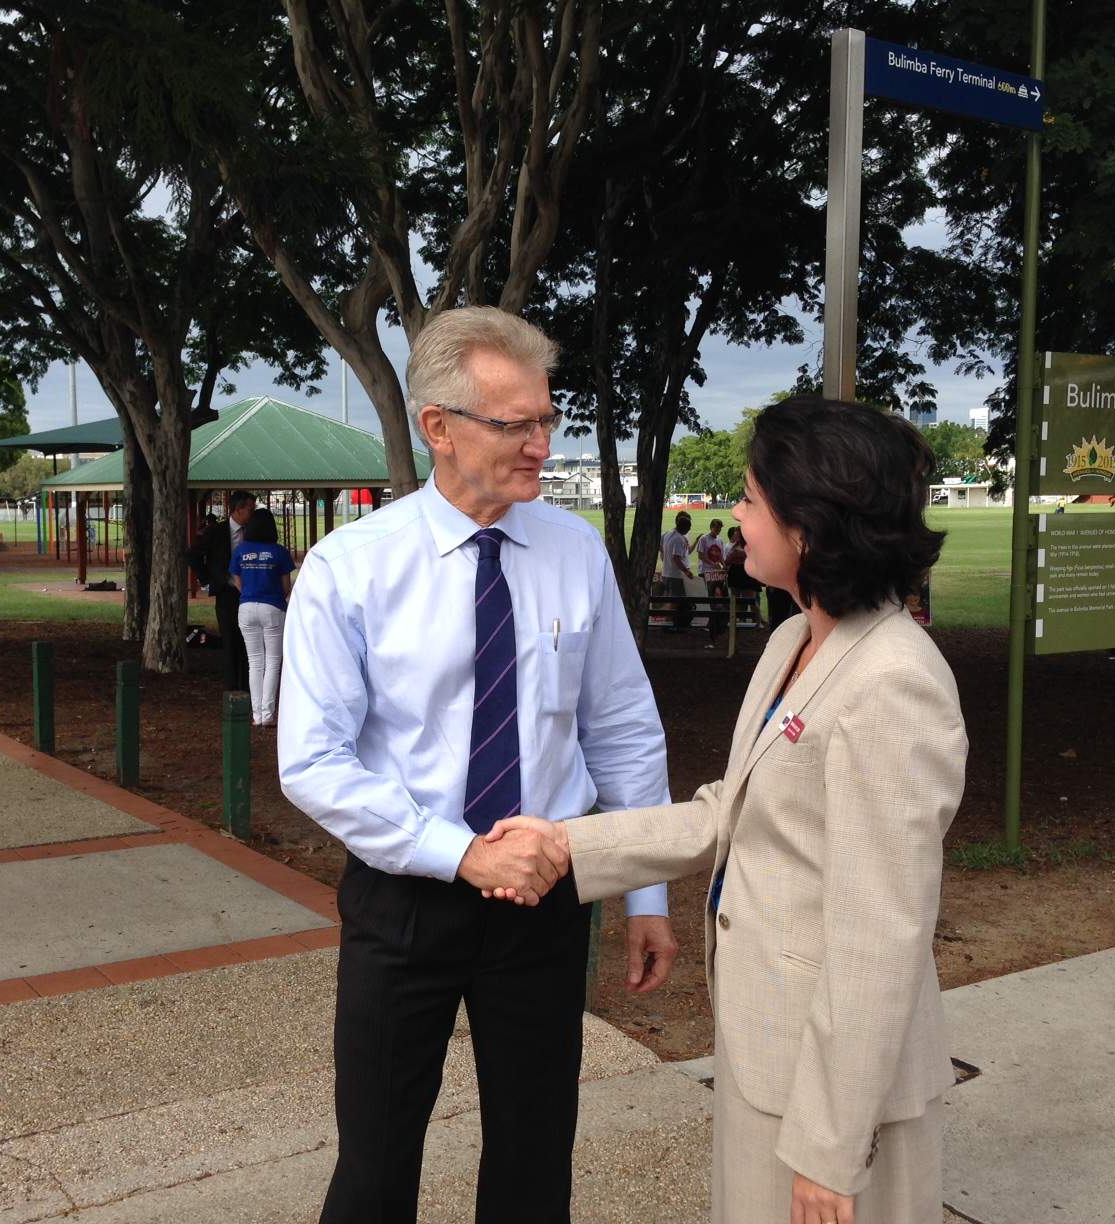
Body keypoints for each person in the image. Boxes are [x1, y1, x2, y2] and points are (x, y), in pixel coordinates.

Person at [486, 397, 968, 1224]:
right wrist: (569, 842)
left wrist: (830, 1146)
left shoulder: (892, 681)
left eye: (749, 499)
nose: (735, 517)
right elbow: (728, 811)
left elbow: (878, 936)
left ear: (810, 523)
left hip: (832, 1089)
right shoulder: (794, 641)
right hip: (766, 1052)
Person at [278, 305, 679, 1224]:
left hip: (544, 902)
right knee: (375, 1172)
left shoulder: (576, 554)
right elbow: (312, 761)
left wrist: (645, 896)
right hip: (404, 900)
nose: (541, 445)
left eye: (547, 419)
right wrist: (461, 853)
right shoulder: (352, 569)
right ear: (439, 429)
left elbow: (621, 726)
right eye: (516, 425)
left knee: (536, 1165)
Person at [230, 507, 295, 727]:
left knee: (254, 662)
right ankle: (268, 714)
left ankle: (256, 714)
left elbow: (236, 578)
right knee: (273, 662)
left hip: (246, 607)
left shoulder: (241, 550)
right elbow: (286, 585)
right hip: (273, 607)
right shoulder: (279, 552)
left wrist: (249, 593)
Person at [188, 491, 256, 690]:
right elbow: (193, 555)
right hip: (226, 593)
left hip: (249, 594)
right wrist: (208, 580)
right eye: (250, 509)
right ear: (238, 509)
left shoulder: (253, 531)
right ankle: (232, 686)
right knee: (230, 639)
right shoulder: (216, 532)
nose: (252, 513)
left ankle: (246, 685)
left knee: (247, 640)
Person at [660, 510, 694, 632]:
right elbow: (676, 558)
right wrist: (686, 571)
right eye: (689, 527)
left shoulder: (669, 534)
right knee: (675, 600)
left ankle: (667, 621)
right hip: (675, 576)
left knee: (670, 598)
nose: (689, 530)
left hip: (666, 573)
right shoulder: (679, 539)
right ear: (684, 528)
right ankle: (668, 623)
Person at [696, 517, 728, 645]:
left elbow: (720, 555)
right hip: (706, 572)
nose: (718, 530)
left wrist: (723, 565)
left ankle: (715, 621)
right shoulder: (704, 539)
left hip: (716, 573)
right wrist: (712, 563)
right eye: (717, 528)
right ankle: (708, 622)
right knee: (708, 596)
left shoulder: (719, 540)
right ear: (711, 527)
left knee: (716, 596)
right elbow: (700, 555)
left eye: (720, 528)